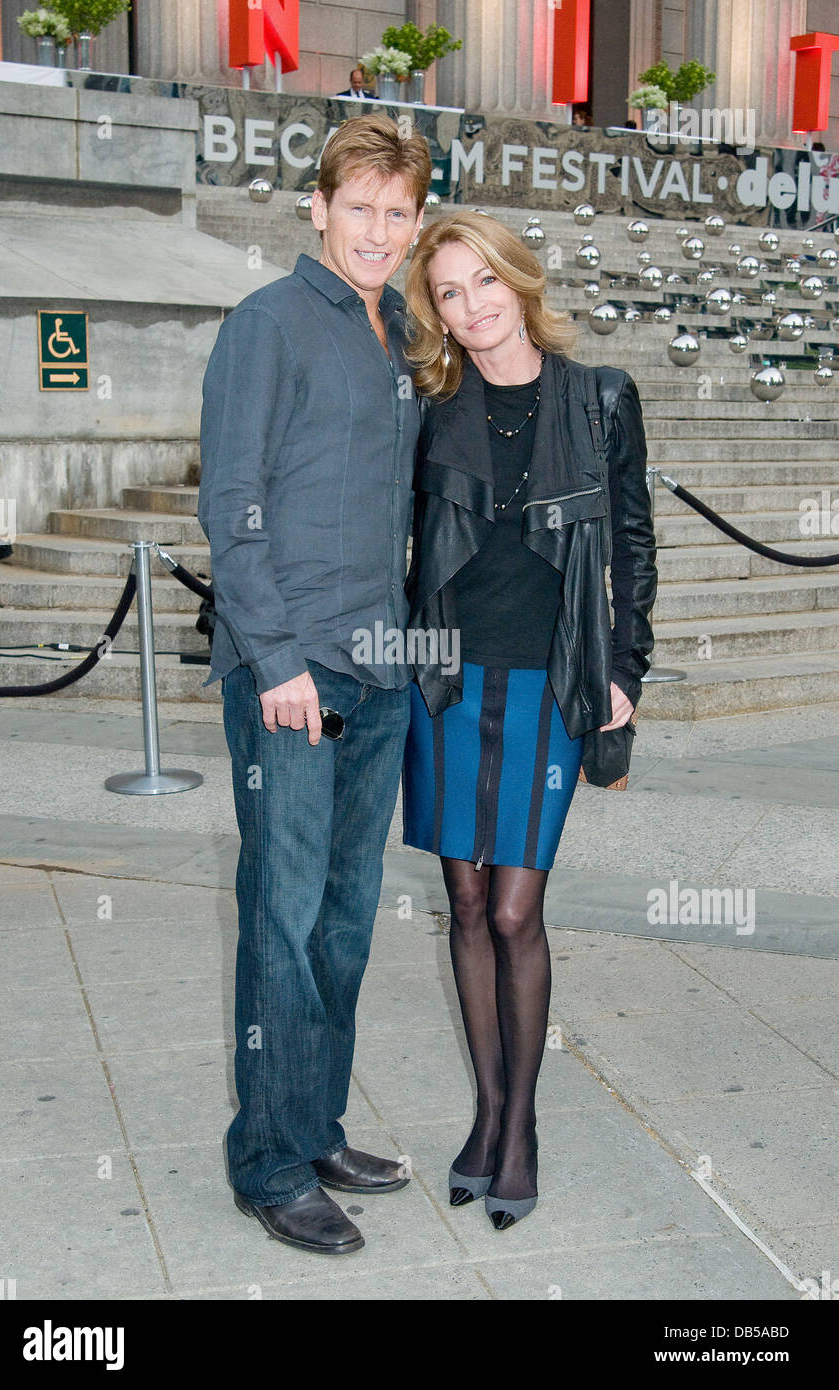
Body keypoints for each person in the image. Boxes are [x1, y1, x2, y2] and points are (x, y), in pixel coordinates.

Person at [197, 113, 431, 1256]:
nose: (378, 230)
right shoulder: (267, 323)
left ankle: (317, 1122)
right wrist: (277, 659)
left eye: (398, 212)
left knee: (344, 921)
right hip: (292, 676)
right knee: (282, 921)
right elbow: (229, 507)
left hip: (379, 672)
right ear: (318, 209)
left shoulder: (398, 336)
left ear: (415, 219)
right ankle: (268, 1159)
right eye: (360, 209)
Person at [400, 210, 657, 1229]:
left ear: (518, 280)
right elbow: (402, 549)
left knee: (514, 910)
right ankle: (489, 1109)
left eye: (482, 285)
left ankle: (521, 1129)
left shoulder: (597, 400)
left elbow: (632, 544)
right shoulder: (431, 403)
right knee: (463, 906)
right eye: (448, 294)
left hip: (549, 684)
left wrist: (622, 668)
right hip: (445, 683)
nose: (468, 309)